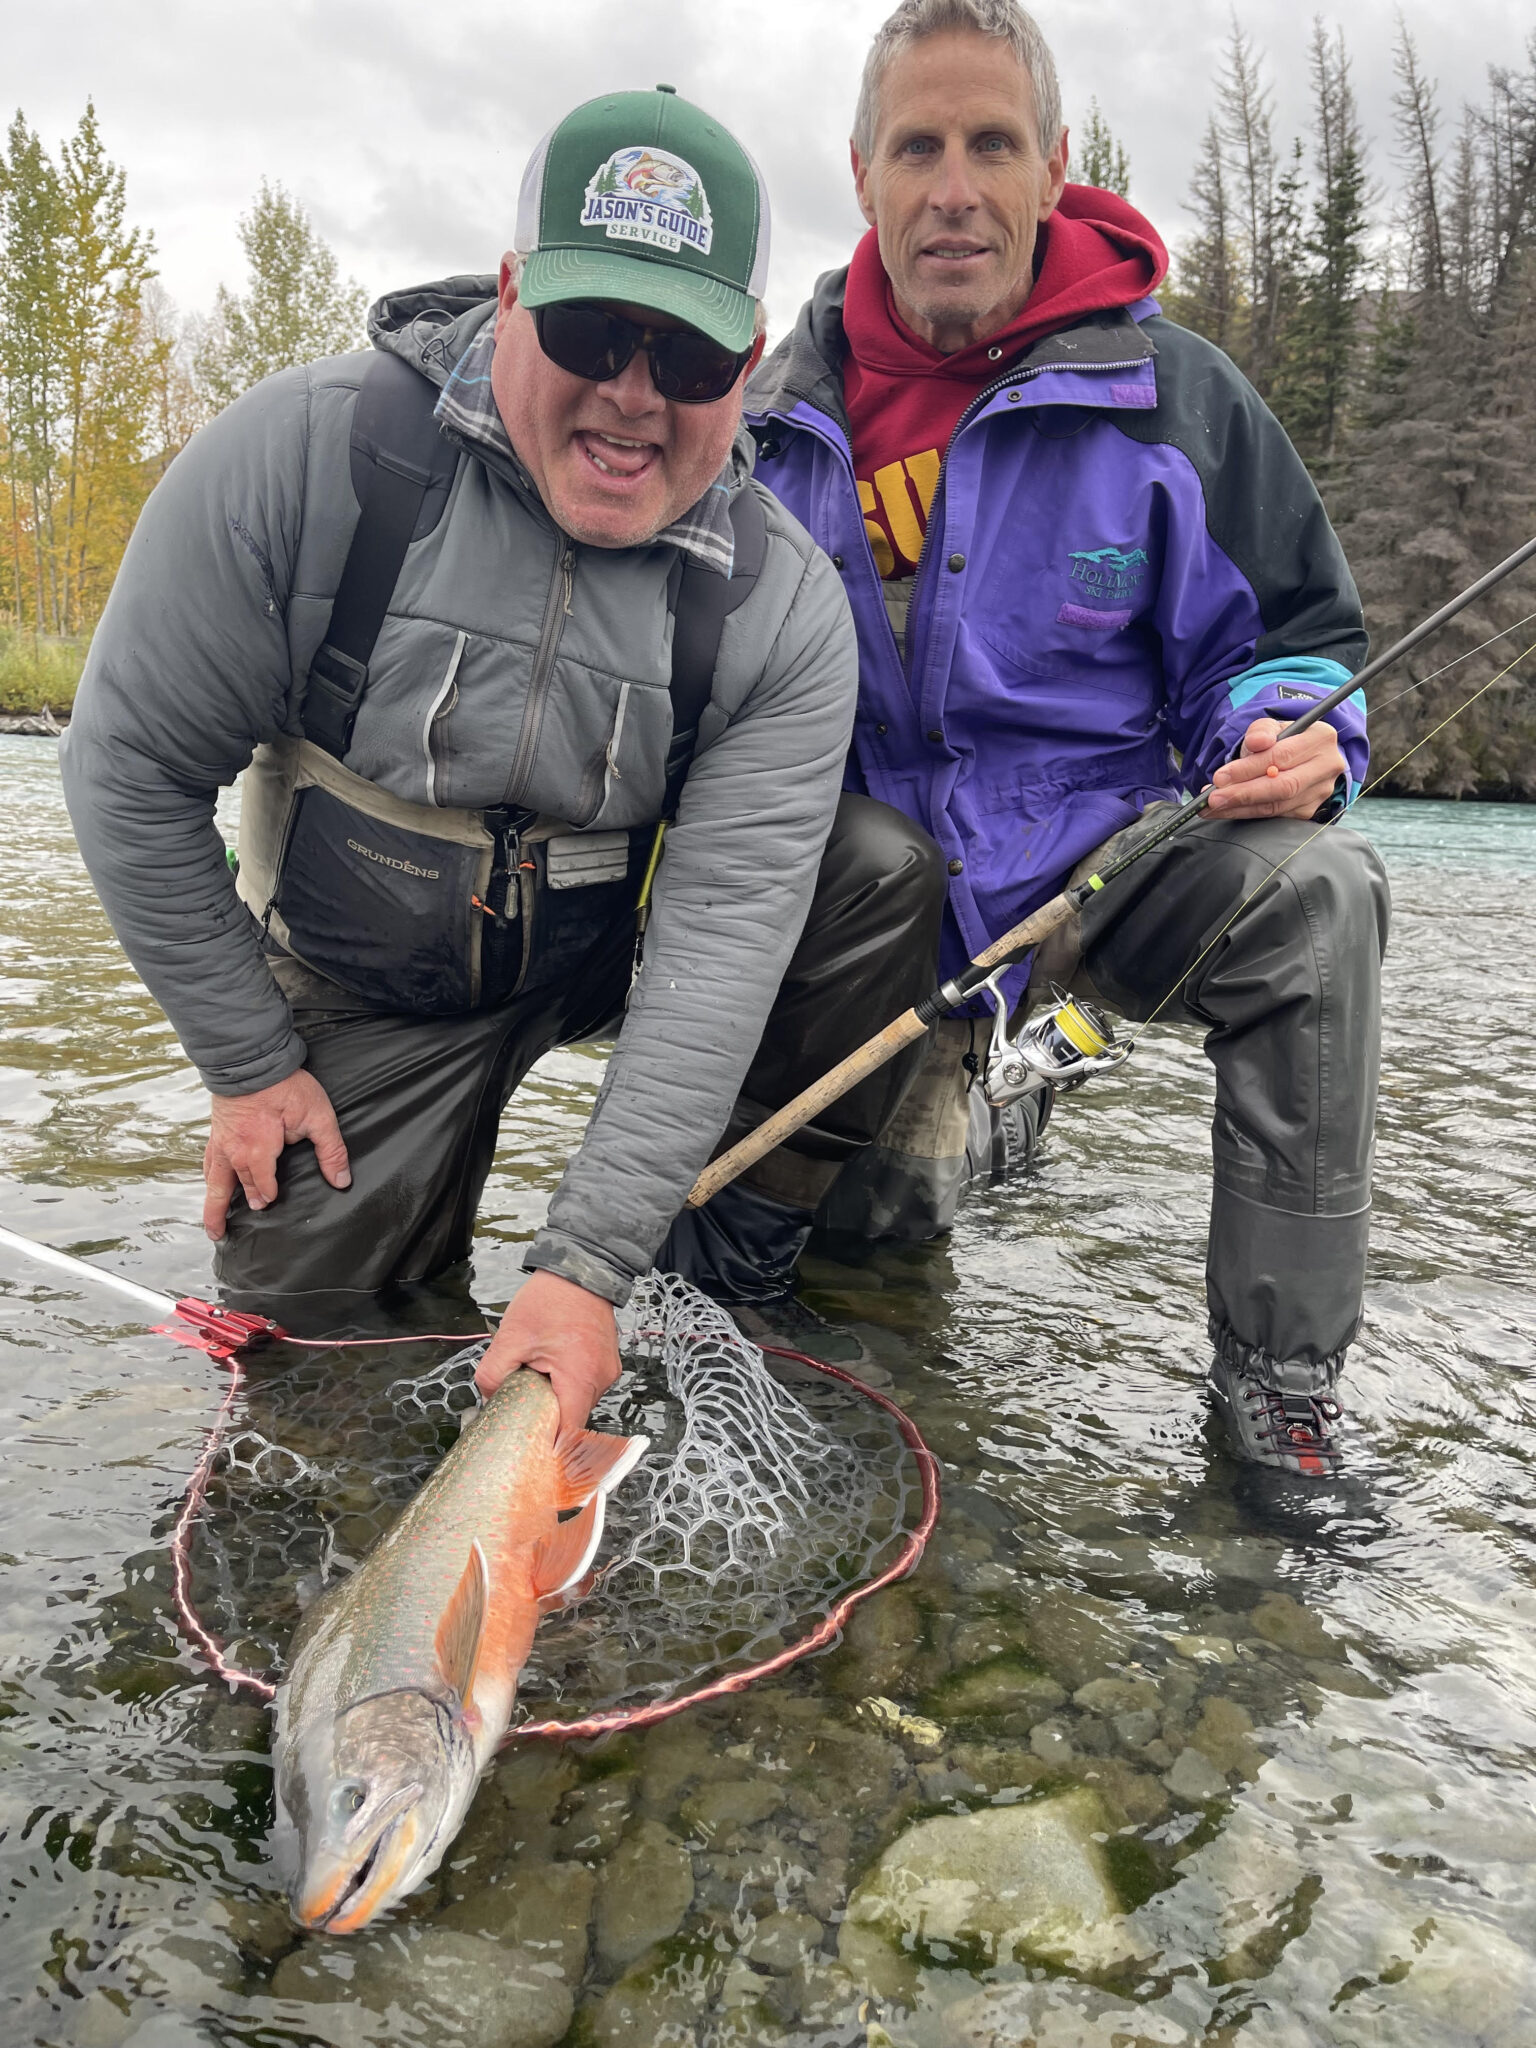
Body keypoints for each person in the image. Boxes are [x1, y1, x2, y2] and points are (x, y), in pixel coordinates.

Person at [59, 85, 947, 1437]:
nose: (633, 399)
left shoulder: (777, 601)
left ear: (753, 357)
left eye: (691, 360)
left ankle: (735, 1261)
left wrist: (585, 1266)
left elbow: (717, 945)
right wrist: (245, 1061)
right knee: (306, 1375)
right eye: (593, 331)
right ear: (512, 289)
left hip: (610, 956)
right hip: (364, 983)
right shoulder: (306, 460)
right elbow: (126, 774)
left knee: (874, 870)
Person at [720, 0, 1391, 1477]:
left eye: (991, 144)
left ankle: (1279, 1393)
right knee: (869, 1280)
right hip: (861, 910)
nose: (954, 185)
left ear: (1055, 164)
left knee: (1321, 904)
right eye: (919, 146)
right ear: (863, 174)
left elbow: (1296, 641)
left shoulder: (1181, 397)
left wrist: (1294, 735)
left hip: (1111, 869)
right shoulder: (768, 422)